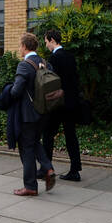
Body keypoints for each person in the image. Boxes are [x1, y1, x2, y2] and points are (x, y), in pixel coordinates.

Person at [6, 32, 55, 197]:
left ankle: (30, 186)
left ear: (25, 46)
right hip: (44, 112)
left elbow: (16, 90)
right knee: (34, 142)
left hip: (28, 114)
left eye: (20, 46)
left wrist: (10, 90)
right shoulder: (45, 63)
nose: (19, 49)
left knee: (26, 148)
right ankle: (48, 168)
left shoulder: (24, 65)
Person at [40, 28, 82, 182]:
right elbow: (75, 79)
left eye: (46, 42)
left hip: (58, 105)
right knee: (71, 136)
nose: (46, 46)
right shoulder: (70, 56)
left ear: (52, 40)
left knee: (48, 134)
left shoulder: (55, 58)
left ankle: (46, 168)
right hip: (71, 103)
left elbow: (51, 82)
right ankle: (75, 170)